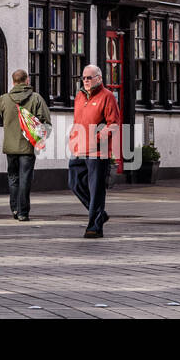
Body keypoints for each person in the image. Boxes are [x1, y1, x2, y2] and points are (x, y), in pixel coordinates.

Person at [67, 64, 118, 239]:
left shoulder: (108, 97)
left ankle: (94, 227)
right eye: (84, 77)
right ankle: (100, 215)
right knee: (74, 184)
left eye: (90, 77)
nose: (86, 81)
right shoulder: (79, 96)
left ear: (99, 78)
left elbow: (114, 124)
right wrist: (72, 137)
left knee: (96, 190)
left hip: (98, 152)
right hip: (78, 148)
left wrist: (98, 138)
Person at [0, 68, 51, 221]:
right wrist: (40, 139)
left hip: (10, 146)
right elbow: (46, 122)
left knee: (13, 178)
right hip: (28, 146)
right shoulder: (36, 99)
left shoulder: (3, 99)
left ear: (13, 82)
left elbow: (3, 116)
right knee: (25, 178)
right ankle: (23, 212)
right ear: (27, 80)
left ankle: (14, 209)